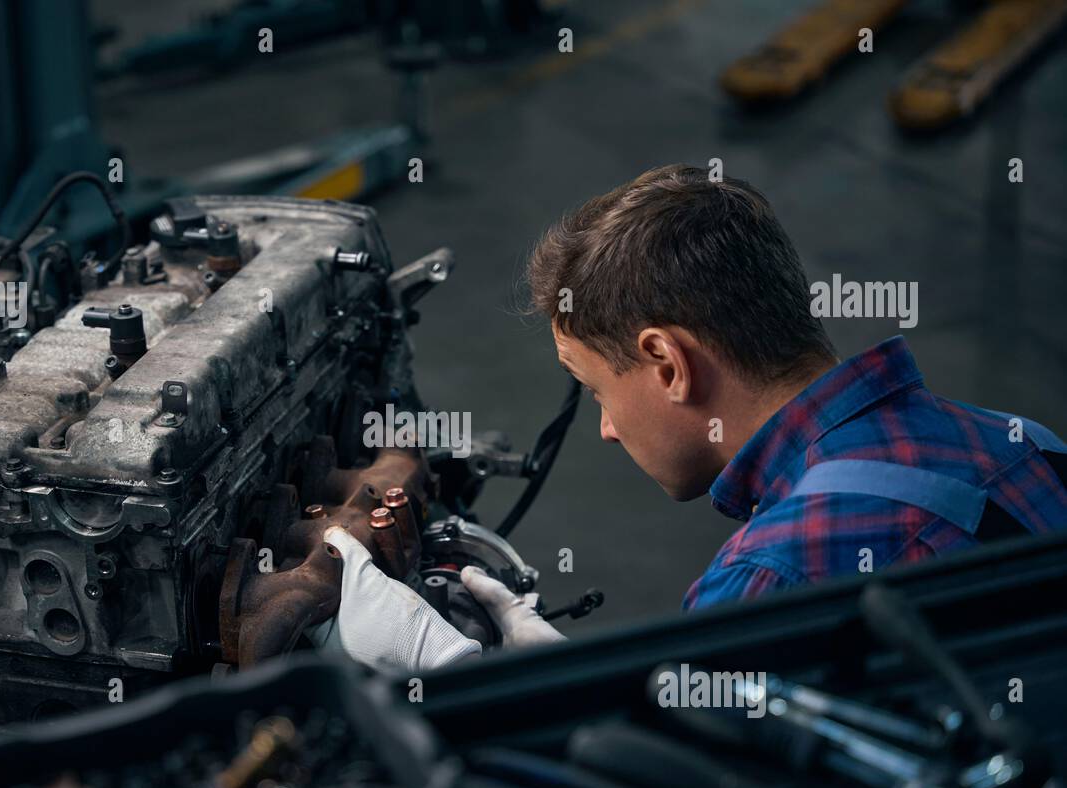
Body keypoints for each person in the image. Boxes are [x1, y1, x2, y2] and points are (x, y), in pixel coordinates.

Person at [317, 164, 1067, 673]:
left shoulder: (768, 580)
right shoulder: (1028, 444)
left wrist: (456, 673)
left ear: (669, 365)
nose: (607, 429)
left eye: (598, 390)